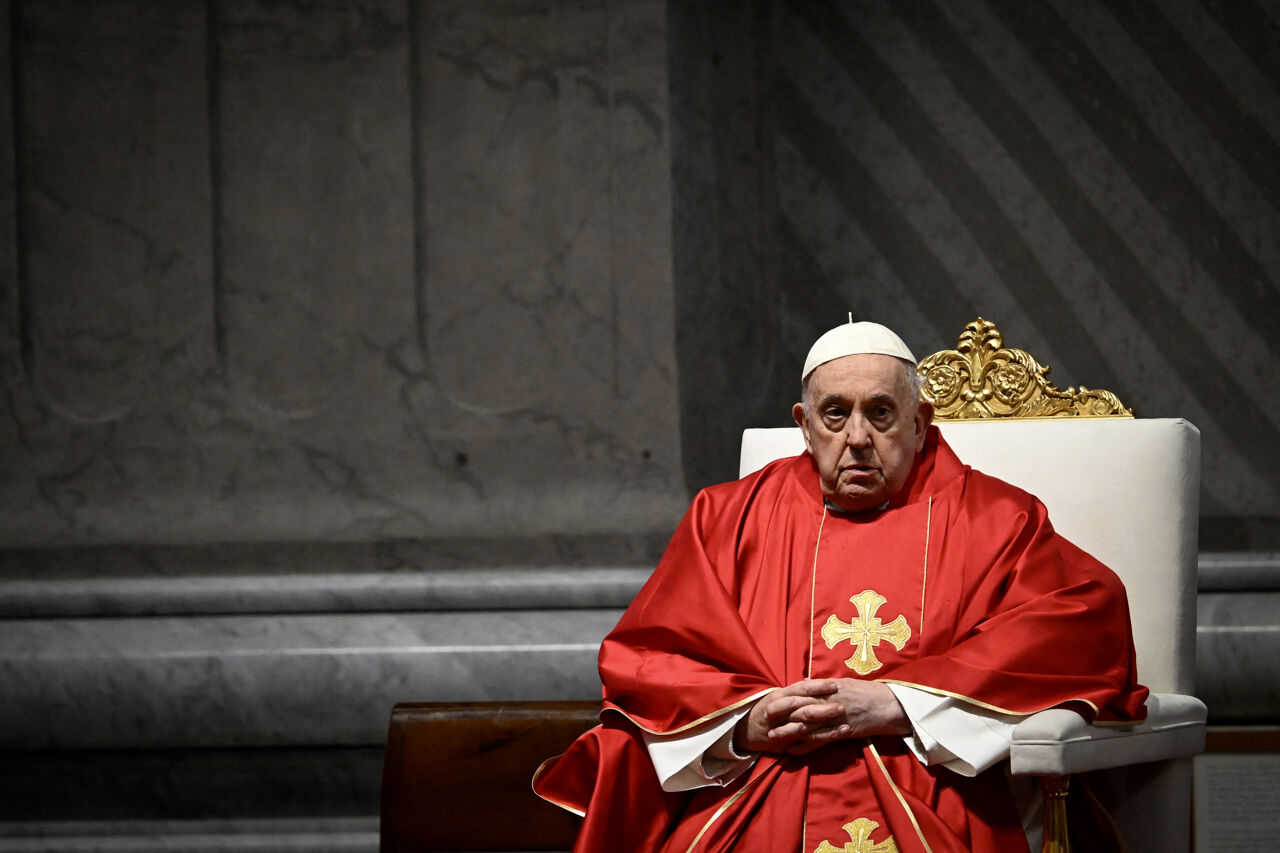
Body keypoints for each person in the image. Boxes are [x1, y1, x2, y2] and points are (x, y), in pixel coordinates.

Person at [533, 320, 1148, 852]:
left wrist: (898, 703)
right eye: (835, 414)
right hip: (764, 782)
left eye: (881, 413)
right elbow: (649, 659)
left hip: (933, 781)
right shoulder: (727, 518)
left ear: (920, 421)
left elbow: (1083, 616)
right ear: (804, 425)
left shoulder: (994, 517)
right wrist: (744, 722)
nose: (857, 437)